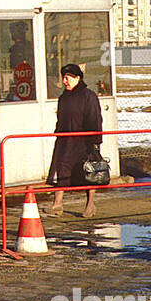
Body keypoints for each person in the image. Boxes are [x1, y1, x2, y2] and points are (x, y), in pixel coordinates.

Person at [46, 62, 103, 218]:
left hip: (85, 143)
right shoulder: (63, 97)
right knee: (62, 170)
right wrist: (58, 134)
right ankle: (57, 204)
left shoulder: (88, 96)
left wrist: (96, 141)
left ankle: (90, 205)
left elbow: (95, 119)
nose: (65, 81)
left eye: (69, 77)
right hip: (65, 141)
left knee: (88, 172)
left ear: (78, 78)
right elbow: (61, 118)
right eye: (64, 77)